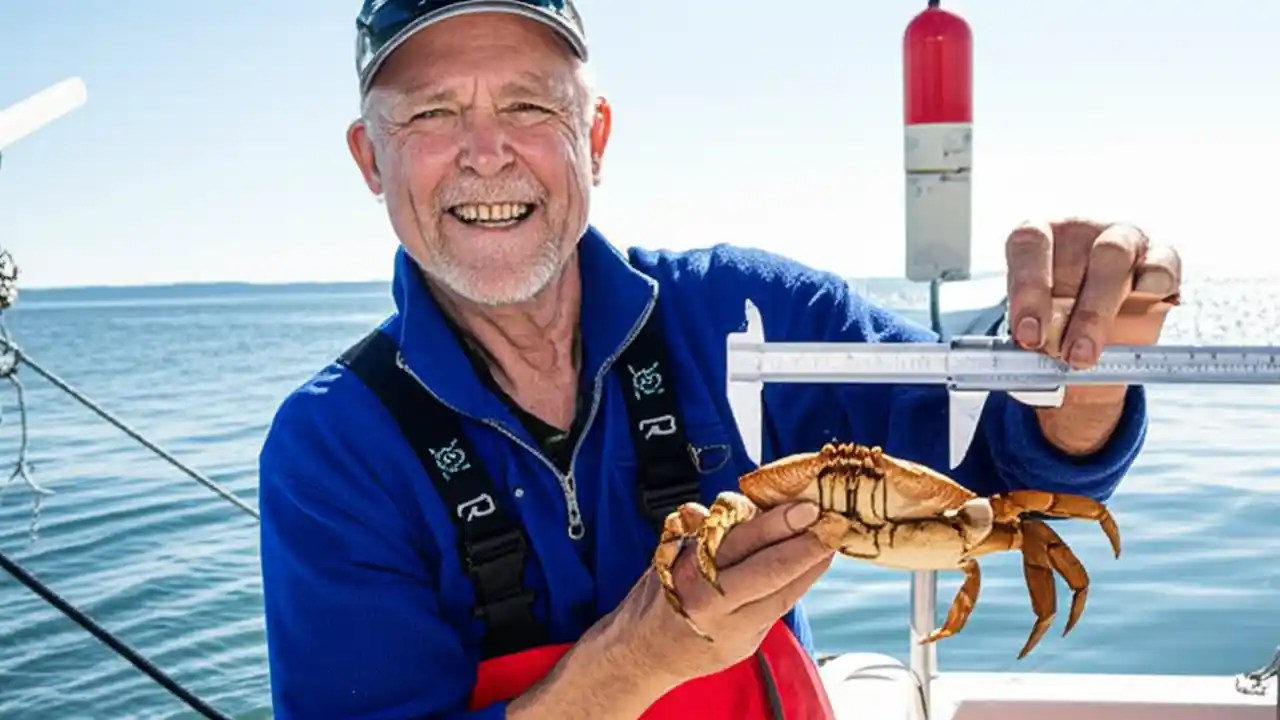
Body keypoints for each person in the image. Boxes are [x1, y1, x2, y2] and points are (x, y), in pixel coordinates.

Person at [256, 1, 1183, 718]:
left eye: (530, 104)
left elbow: (994, 460)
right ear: (369, 157)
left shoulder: (746, 314)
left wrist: (1086, 363)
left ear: (597, 135)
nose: (486, 153)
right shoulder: (333, 449)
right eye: (432, 114)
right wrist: (640, 659)